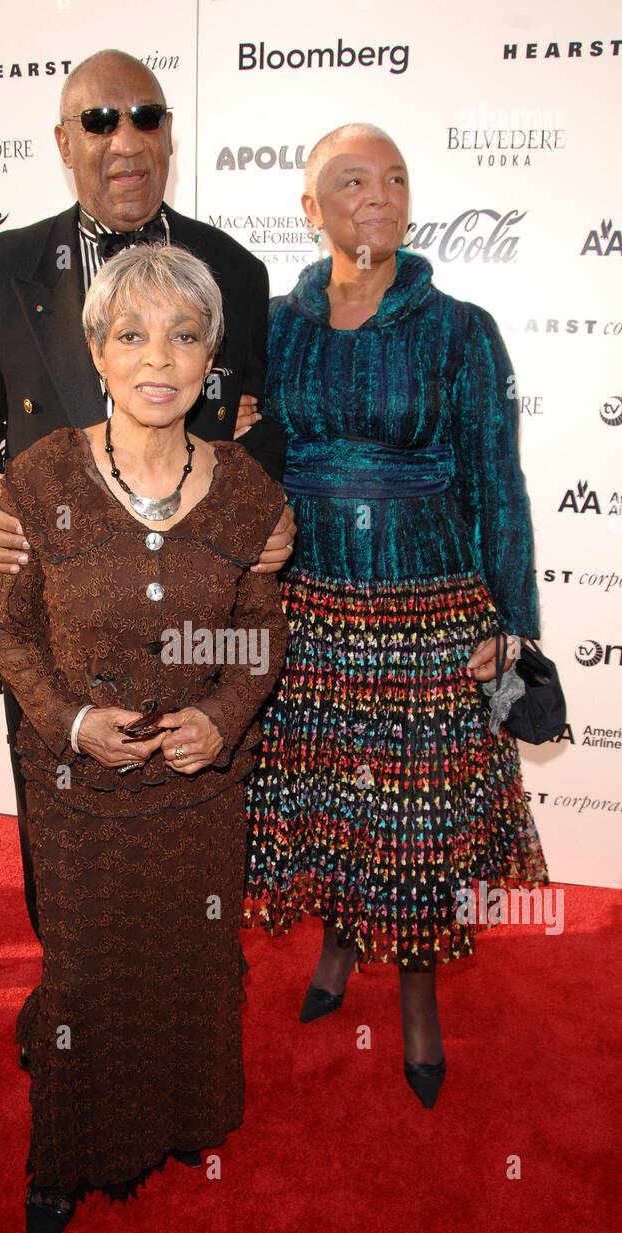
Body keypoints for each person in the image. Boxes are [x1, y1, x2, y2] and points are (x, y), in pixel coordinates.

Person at [0, 49, 295, 1030]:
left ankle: (176, 1007)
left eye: (144, 117)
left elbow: (262, 423)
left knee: (189, 828)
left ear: (169, 133)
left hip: (194, 620)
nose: (123, 141)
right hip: (63, 614)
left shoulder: (235, 270)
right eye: (98, 122)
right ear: (63, 142)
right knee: (65, 829)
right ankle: (78, 995)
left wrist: (274, 503)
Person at [0, 243, 290, 1233]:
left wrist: (222, 716)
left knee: (193, 960)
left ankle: (179, 1120)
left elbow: (256, 634)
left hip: (199, 799)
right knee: (82, 977)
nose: (158, 357)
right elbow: (9, 628)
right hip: (79, 797)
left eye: (183, 335)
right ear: (97, 352)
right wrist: (68, 721)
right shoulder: (42, 478)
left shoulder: (247, 495)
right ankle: (64, 1158)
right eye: (130, 334)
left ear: (210, 360)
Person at [242, 124, 548, 1109]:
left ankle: (416, 999)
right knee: (334, 793)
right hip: (311, 598)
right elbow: (244, 466)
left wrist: (510, 623)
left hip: (427, 602)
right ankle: (334, 948)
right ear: (308, 206)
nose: (376, 194)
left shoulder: (462, 329)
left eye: (394, 178)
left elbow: (497, 482)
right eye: (349, 179)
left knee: (416, 814)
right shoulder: (272, 330)